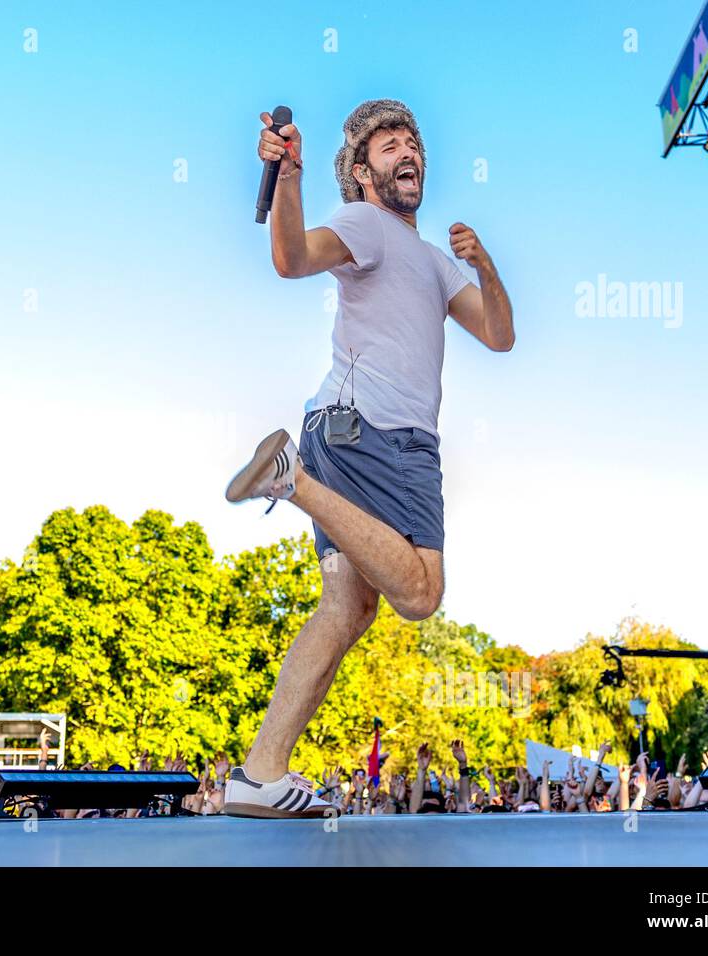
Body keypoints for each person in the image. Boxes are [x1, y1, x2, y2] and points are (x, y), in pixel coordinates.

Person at [223, 99, 515, 819]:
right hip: (376, 435)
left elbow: (501, 336)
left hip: (351, 431)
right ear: (360, 172)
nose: (405, 150)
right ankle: (290, 480)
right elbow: (292, 257)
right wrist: (287, 178)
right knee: (418, 595)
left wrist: (487, 266)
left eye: (410, 140)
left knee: (346, 609)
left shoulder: (436, 263)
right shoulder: (364, 224)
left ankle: (259, 774)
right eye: (387, 145)